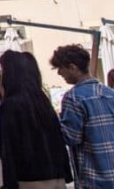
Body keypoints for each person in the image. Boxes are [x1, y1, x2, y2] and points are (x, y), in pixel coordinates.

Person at [0, 50, 71, 189]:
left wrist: (9, 185)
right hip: (56, 177)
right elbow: (58, 140)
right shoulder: (42, 102)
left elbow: (8, 150)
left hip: (29, 179)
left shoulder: (10, 106)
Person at [51, 44, 114, 189]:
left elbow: (71, 137)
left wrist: (53, 121)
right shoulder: (110, 93)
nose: (60, 73)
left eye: (61, 68)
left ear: (73, 67)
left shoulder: (73, 97)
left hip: (94, 179)